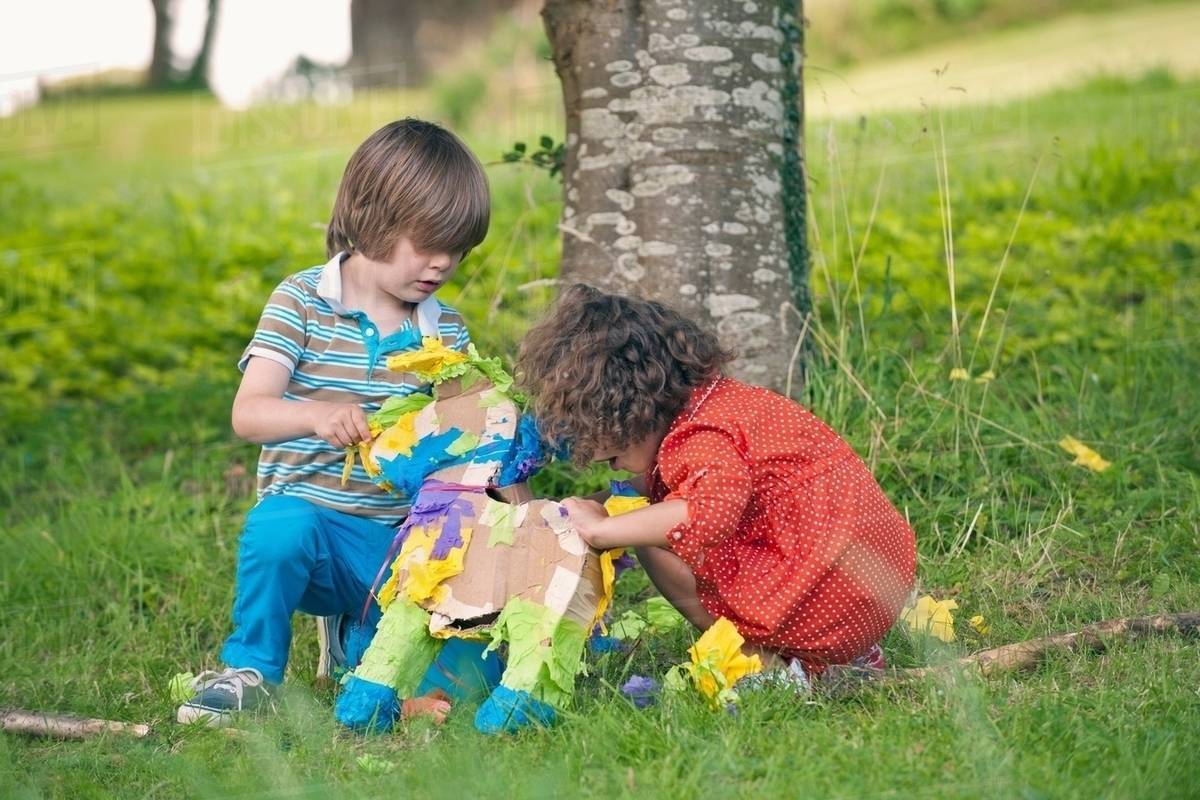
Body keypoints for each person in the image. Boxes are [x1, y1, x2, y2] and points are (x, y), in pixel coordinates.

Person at [177, 119, 503, 727]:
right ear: (373, 218)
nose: (442, 264)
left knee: (468, 676)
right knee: (280, 527)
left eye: (457, 250)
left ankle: (358, 645)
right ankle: (251, 671)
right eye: (427, 244)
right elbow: (248, 413)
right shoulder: (301, 300)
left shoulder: (445, 329)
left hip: (401, 546)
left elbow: (472, 439)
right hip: (316, 531)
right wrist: (316, 413)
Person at [518, 284, 916, 683]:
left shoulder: (699, 436)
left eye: (593, 425)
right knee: (650, 508)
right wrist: (588, 506)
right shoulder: (719, 403)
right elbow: (662, 486)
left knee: (650, 532)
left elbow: (707, 512)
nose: (592, 448)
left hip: (829, 598)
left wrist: (602, 530)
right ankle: (847, 653)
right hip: (872, 583)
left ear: (625, 404)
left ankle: (771, 667)